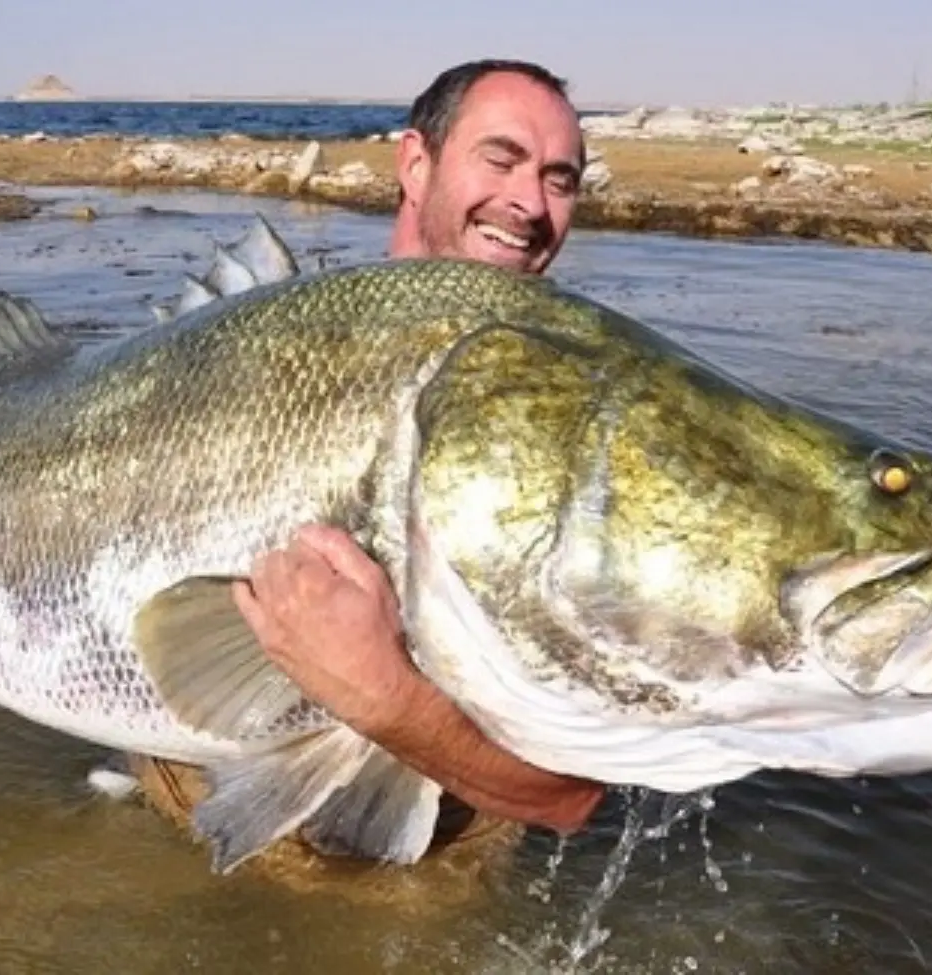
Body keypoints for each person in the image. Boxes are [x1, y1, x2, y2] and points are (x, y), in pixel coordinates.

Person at [230, 59, 607, 842]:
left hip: (450, 829)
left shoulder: (567, 401)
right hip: (194, 779)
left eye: (560, 180)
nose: (529, 204)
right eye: (500, 159)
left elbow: (570, 798)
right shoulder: (267, 349)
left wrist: (388, 696)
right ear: (414, 163)